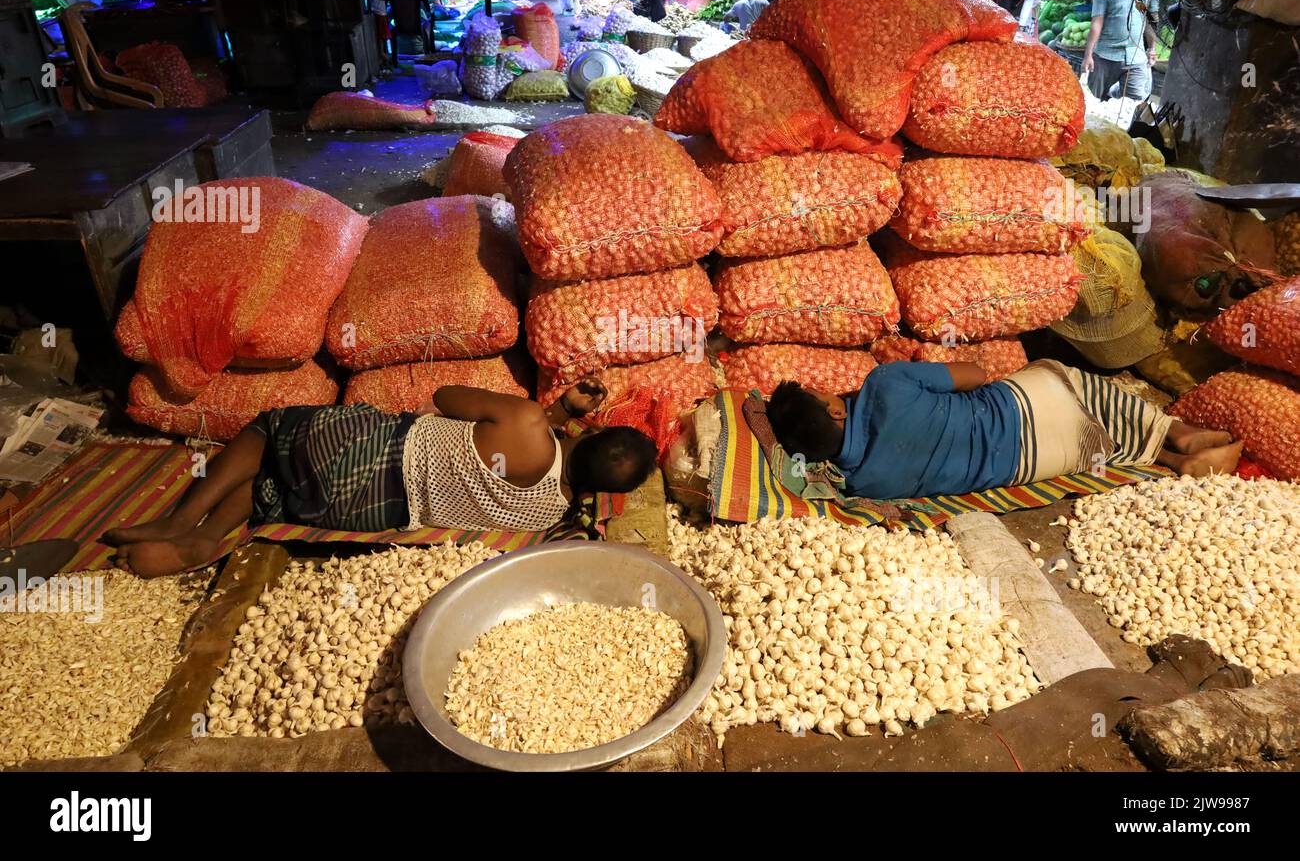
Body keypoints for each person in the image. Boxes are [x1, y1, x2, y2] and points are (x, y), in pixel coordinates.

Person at [103, 380, 659, 577]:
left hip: (375, 453)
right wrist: (564, 419)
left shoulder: (528, 423)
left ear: (592, 430)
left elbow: (444, 398)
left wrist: (552, 411)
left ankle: (180, 522)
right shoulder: (552, 513)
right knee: (273, 481)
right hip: (374, 513)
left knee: (271, 430)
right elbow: (545, 472)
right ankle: (208, 538)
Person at [765, 360, 1242, 501]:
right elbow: (973, 374)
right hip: (1023, 412)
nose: (825, 387)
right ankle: (1176, 433)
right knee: (1058, 374)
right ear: (836, 411)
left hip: (1034, 465)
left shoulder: (865, 483)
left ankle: (1176, 462)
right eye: (821, 391)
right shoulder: (884, 382)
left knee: (1089, 439)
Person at [1082, 0, 1161, 102]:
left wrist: (1152, 48)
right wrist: (1088, 54)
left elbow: (1152, 19)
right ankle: (1109, 95)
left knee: (1134, 100)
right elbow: (1097, 23)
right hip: (1105, 55)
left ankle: (1115, 94)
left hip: (1136, 56)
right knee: (1096, 99)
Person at [367, 0, 392, 67]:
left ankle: (385, 53)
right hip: (380, 16)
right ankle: (382, 53)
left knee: (384, 36)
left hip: (382, 15)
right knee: (382, 36)